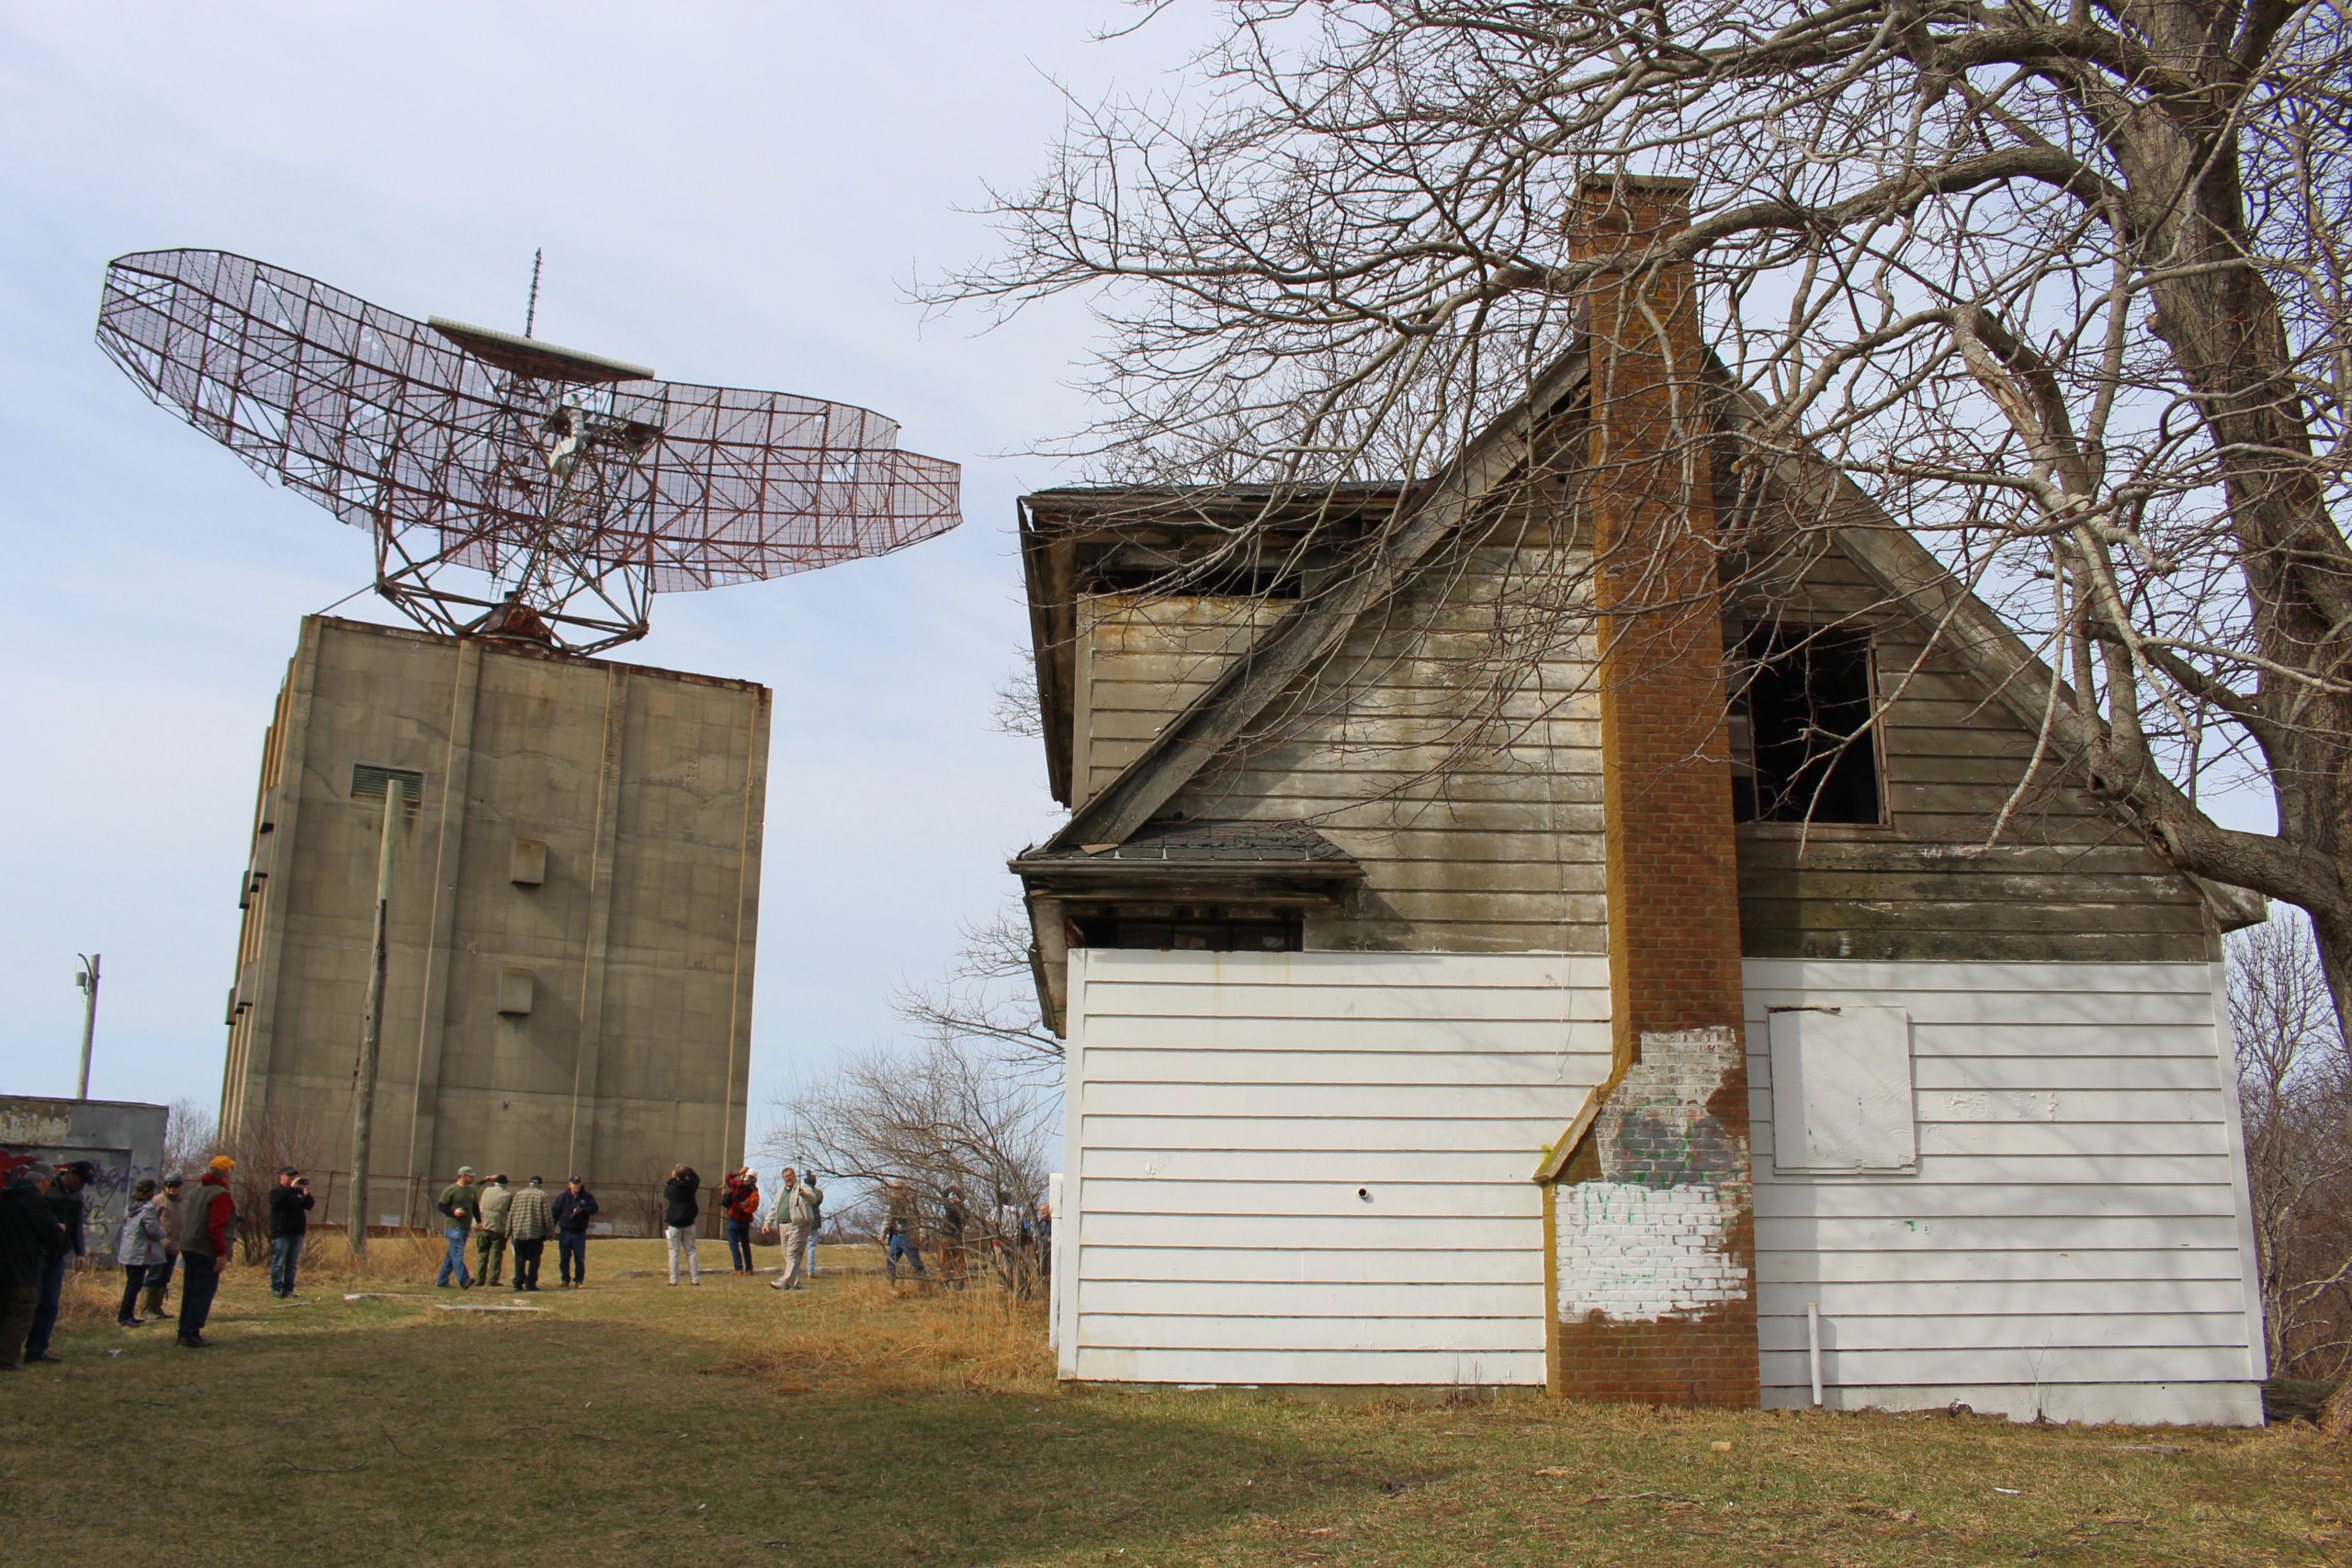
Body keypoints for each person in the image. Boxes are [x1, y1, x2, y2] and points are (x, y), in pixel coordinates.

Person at [23, 1157, 94, 1365]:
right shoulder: (46, 1190)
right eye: (80, 1180)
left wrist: (80, 1252)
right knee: (26, 1303)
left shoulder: (77, 1196)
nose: (82, 1186)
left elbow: (77, 1226)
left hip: (56, 1257)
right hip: (36, 1254)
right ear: (70, 1174)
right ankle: (12, 1346)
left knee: (50, 1304)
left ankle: (36, 1350)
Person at [0, 1167, 69, 1370]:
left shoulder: (4, 1196)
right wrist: (60, 1234)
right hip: (23, 1267)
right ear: (45, 1182)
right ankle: (5, 1359)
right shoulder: (34, 1201)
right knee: (20, 1311)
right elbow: (52, 1235)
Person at [176, 1156, 236, 1348]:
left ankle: (184, 1330)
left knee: (190, 1290)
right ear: (226, 1173)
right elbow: (215, 1226)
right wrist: (221, 1253)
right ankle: (192, 1332)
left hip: (188, 1246)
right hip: (206, 1249)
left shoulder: (197, 1190)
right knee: (203, 1292)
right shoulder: (220, 1194)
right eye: (230, 1170)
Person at [116, 1179, 168, 1326]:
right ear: (150, 1192)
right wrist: (163, 1232)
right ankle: (125, 1316)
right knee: (134, 1285)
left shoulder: (131, 1206)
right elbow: (152, 1230)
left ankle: (127, 1315)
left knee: (132, 1284)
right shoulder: (147, 1208)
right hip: (139, 1252)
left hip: (128, 1250)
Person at [769, 1168, 821, 1292]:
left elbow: (813, 1199)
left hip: (798, 1225)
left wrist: (804, 1194)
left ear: (794, 1175)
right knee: (788, 1255)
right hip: (783, 1225)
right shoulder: (781, 1190)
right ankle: (795, 1282)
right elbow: (774, 1207)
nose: (788, 1178)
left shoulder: (802, 1187)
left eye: (790, 1175)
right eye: (785, 1176)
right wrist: (767, 1222)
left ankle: (785, 1282)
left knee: (793, 1253)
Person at [266, 1167, 313, 1298]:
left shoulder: (297, 1192)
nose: (293, 1180)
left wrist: (306, 1194)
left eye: (294, 1178)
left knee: (292, 1264)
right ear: (282, 1177)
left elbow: (309, 1206)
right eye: (290, 1177)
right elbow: (277, 1202)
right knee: (279, 1262)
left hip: (297, 1232)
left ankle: (289, 1289)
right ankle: (276, 1288)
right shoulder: (277, 1192)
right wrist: (290, 1188)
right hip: (282, 1232)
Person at [141, 1173, 184, 1320]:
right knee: (154, 1276)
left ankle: (157, 1307)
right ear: (165, 1186)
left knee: (165, 1277)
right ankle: (147, 1309)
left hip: (173, 1246)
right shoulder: (158, 1201)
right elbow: (149, 1222)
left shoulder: (181, 1202)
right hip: (158, 1246)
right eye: (169, 1186)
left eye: (176, 1186)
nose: (172, 1189)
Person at [505, 1176, 554, 1291]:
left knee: (519, 1258)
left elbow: (511, 1213)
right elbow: (547, 1216)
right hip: (535, 1232)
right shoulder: (542, 1195)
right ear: (540, 1184)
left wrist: (508, 1231)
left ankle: (518, 1282)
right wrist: (550, 1232)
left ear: (529, 1183)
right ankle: (530, 1283)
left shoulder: (519, 1194)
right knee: (534, 1259)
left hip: (518, 1232)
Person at [435, 1166, 480, 1289]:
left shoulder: (471, 1190)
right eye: (470, 1176)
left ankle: (441, 1281)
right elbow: (441, 1206)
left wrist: (479, 1222)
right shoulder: (451, 1190)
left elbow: (475, 1207)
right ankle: (464, 1280)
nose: (472, 1178)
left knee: (452, 1255)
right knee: (457, 1253)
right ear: (463, 1176)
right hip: (453, 1226)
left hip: (465, 1226)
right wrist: (453, 1212)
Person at [551, 1176, 598, 1288]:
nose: (577, 1186)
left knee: (579, 1258)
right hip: (565, 1232)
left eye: (578, 1183)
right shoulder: (563, 1197)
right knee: (564, 1258)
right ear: (569, 1185)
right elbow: (555, 1213)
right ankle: (565, 1279)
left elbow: (594, 1209)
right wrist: (551, 1228)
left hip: (579, 1232)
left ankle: (579, 1280)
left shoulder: (587, 1197)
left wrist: (582, 1210)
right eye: (574, 1183)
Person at [663, 1165, 702, 1285]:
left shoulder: (673, 1189)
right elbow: (696, 1178)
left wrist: (673, 1178)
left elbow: (666, 1193)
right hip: (689, 1222)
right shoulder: (692, 1186)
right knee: (691, 1252)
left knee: (674, 1252)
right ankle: (695, 1280)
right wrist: (686, 1168)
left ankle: (673, 1280)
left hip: (675, 1224)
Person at [474, 1174, 514, 1288]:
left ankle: (478, 1278)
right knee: (496, 1254)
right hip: (498, 1228)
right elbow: (509, 1210)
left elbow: (475, 1186)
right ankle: (492, 1279)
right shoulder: (507, 1195)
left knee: (482, 1253)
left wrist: (486, 1179)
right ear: (505, 1185)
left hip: (483, 1226)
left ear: (495, 1183)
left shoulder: (486, 1190)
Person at [881, 1181, 925, 1284]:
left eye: (898, 1189)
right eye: (895, 1189)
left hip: (909, 1237)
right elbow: (887, 1219)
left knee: (915, 1263)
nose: (896, 1192)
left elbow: (921, 1219)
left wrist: (922, 1235)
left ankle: (924, 1285)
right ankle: (891, 1286)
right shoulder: (893, 1204)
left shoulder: (913, 1203)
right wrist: (882, 1235)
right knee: (890, 1261)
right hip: (895, 1236)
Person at [720, 1167, 760, 1274]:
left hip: (734, 1218)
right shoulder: (754, 1190)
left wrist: (738, 1172)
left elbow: (727, 1178)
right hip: (745, 1220)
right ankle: (749, 1268)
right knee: (745, 1244)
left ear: (745, 1176)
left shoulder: (737, 1185)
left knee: (733, 1244)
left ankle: (738, 1268)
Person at [937, 1186, 968, 1289]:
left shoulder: (950, 1207)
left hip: (946, 1236)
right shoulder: (965, 1211)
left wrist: (951, 1189)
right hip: (958, 1238)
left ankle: (944, 1282)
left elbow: (944, 1196)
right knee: (959, 1262)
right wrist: (959, 1193)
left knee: (944, 1260)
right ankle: (958, 1284)